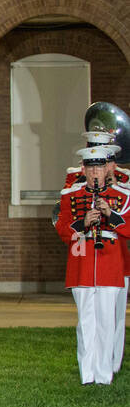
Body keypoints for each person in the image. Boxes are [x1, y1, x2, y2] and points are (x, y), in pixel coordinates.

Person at [55, 146, 130, 386]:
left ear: (106, 170)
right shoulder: (70, 195)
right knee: (86, 321)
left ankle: (104, 374)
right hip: (81, 261)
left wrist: (112, 215)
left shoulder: (122, 195)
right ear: (84, 169)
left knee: (107, 320)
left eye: (99, 167)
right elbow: (63, 229)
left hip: (110, 263)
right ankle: (87, 374)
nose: (95, 172)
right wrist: (82, 223)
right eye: (91, 167)